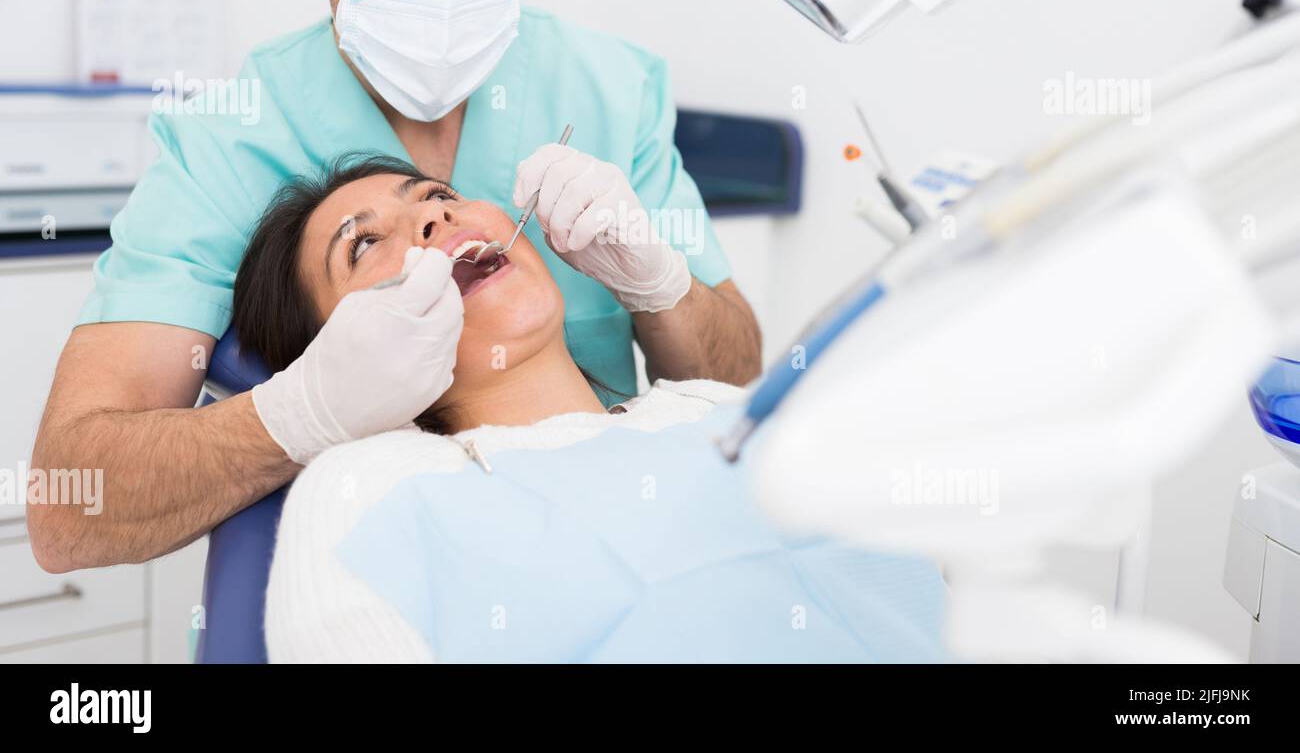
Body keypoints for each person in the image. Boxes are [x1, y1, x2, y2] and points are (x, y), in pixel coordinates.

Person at [28, 0, 761, 573]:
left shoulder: (607, 87)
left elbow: (734, 383)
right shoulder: (233, 138)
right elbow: (70, 512)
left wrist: (663, 287)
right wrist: (301, 413)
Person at [228, 155, 944, 662]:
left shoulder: (712, 405)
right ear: (333, 352)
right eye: (364, 244)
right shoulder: (368, 486)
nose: (434, 219)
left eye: (436, 195)